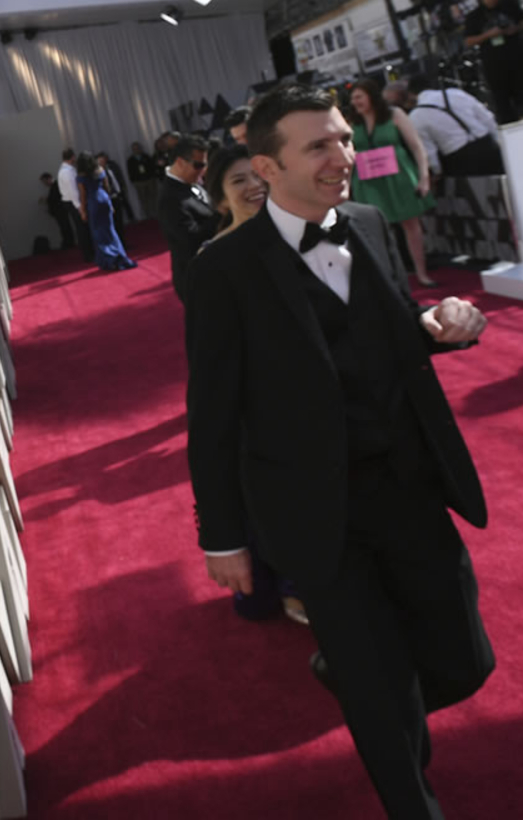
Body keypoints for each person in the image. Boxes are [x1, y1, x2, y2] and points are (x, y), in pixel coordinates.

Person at [187, 82, 495, 819]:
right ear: (266, 168)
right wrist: (222, 536)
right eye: (319, 146)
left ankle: (352, 675)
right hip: (317, 508)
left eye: (343, 139)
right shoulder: (223, 268)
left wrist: (442, 323)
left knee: (462, 659)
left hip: (413, 484)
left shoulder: (363, 220)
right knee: (379, 688)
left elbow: (382, 333)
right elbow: (214, 416)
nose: (343, 155)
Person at [198, 144, 306, 626]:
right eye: (237, 180)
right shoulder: (215, 260)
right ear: (220, 199)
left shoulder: (303, 235)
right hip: (259, 411)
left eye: (256, 174)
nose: (253, 186)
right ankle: (288, 587)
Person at [347, 78, 438, 286]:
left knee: (411, 224)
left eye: (359, 96)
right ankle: (393, 276)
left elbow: (416, 146)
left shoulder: (394, 115)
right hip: (368, 181)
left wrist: (424, 177)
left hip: (399, 176)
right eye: (352, 98)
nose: (355, 102)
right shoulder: (353, 122)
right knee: (378, 229)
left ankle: (421, 273)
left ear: (371, 95)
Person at [157, 135, 219, 304]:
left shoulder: (192, 183)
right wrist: (221, 214)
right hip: (198, 280)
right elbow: (192, 240)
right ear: (180, 162)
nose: (203, 170)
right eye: (198, 165)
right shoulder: (170, 198)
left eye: (205, 165)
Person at [406, 75, 504, 179]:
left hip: (459, 159)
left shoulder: (415, 116)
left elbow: (430, 153)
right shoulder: (455, 93)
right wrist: (497, 140)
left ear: (411, 94)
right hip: (486, 144)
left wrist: (437, 172)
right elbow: (487, 118)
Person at [464, 0, 523, 123]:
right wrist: (488, 35)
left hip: (516, 55)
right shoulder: (474, 17)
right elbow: (469, 41)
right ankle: (509, 121)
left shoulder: (509, 6)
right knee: (501, 97)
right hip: (493, 62)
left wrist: (516, 28)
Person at [83, 153, 137, 272]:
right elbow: (106, 187)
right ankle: (118, 256)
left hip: (93, 203)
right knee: (110, 230)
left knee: (98, 232)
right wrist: (109, 202)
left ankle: (108, 260)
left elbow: (83, 195)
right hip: (104, 200)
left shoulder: (82, 176)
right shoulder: (100, 171)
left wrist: (83, 210)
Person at [56, 149, 92, 262]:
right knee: (82, 229)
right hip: (73, 203)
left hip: (72, 202)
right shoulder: (67, 172)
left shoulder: (65, 170)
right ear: (72, 157)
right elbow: (73, 191)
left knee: (82, 228)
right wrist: (80, 208)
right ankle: (88, 254)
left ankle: (89, 252)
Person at [39, 171, 77, 249]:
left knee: (65, 227)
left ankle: (69, 242)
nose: (45, 184)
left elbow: (56, 198)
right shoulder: (55, 185)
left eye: (44, 181)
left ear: (48, 179)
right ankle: (68, 242)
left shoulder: (56, 185)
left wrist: (47, 200)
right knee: (64, 227)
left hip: (61, 211)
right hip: (60, 211)